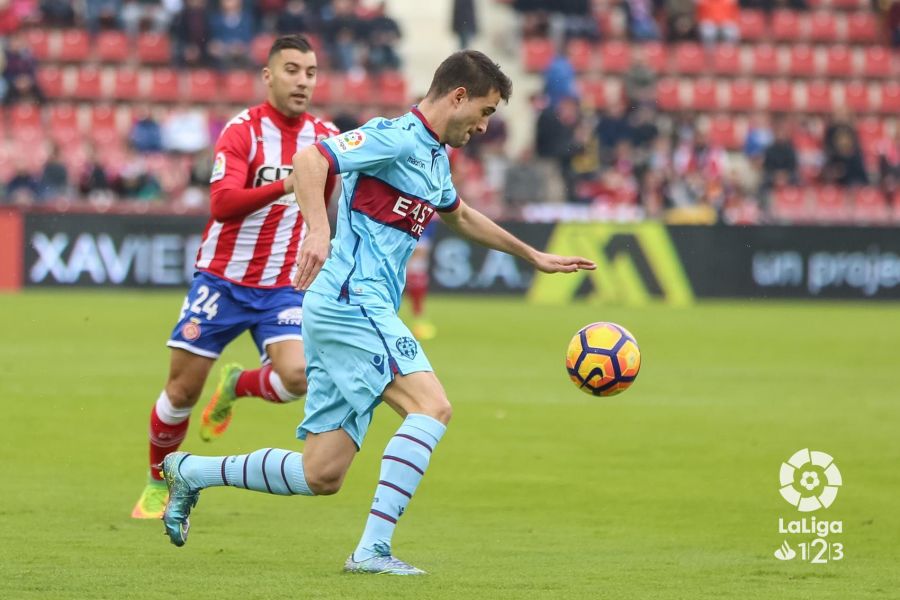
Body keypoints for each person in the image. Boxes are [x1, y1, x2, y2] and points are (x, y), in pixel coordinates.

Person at [158, 50, 596, 575]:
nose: (484, 126)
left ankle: (190, 470)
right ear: (458, 96)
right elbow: (310, 160)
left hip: (347, 307)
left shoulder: (433, 155)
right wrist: (319, 230)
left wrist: (532, 256)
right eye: (485, 111)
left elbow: (459, 216)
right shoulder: (397, 135)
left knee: (321, 473)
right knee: (431, 407)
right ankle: (373, 549)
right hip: (351, 301)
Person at [130, 34, 339, 519]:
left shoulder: (327, 137)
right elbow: (221, 204)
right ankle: (158, 481)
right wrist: (283, 183)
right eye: (291, 70)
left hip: (284, 285)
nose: (302, 81)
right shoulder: (242, 130)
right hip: (222, 280)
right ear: (268, 75)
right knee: (181, 391)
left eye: (310, 72)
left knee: (298, 377)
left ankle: (237, 386)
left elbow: (330, 207)